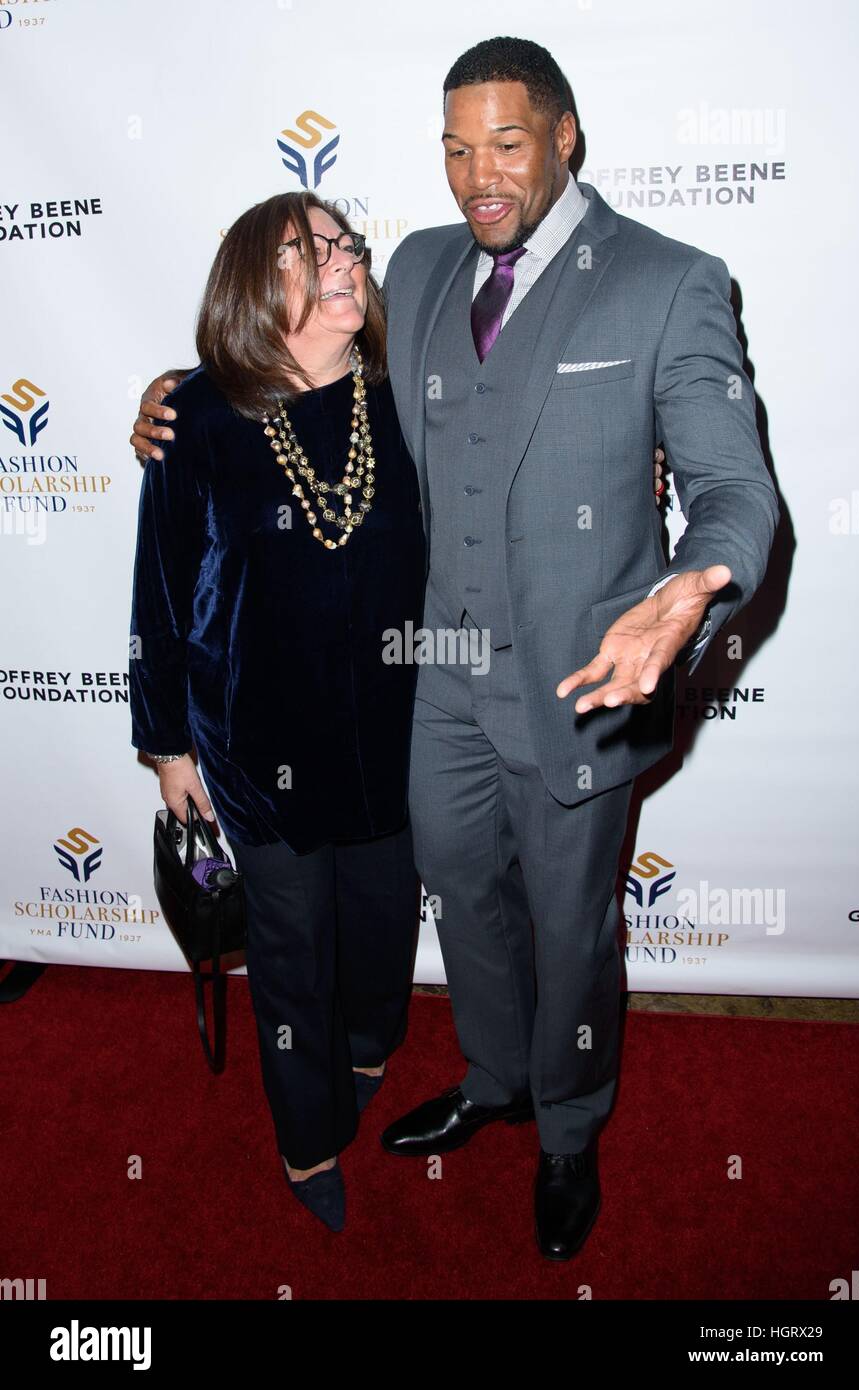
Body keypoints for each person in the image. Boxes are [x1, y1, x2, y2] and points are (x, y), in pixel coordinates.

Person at [129, 43, 715, 1262]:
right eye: (456, 147)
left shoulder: (624, 297)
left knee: (505, 924)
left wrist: (676, 548)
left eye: (506, 142)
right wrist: (177, 392)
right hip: (348, 725)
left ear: (565, 137)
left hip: (491, 709)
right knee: (380, 935)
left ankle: (532, 1114)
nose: (476, 175)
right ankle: (402, 1108)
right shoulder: (295, 356)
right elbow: (188, 556)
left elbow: (665, 473)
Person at [128, 190, 425, 1234]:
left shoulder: (406, 396)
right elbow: (160, 593)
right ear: (262, 278)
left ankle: (368, 1047)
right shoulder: (198, 416)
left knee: (385, 928)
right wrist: (166, 743)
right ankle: (307, 1142)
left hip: (396, 731)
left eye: (348, 242)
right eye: (315, 248)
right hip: (259, 747)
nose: (347, 258)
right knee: (290, 952)